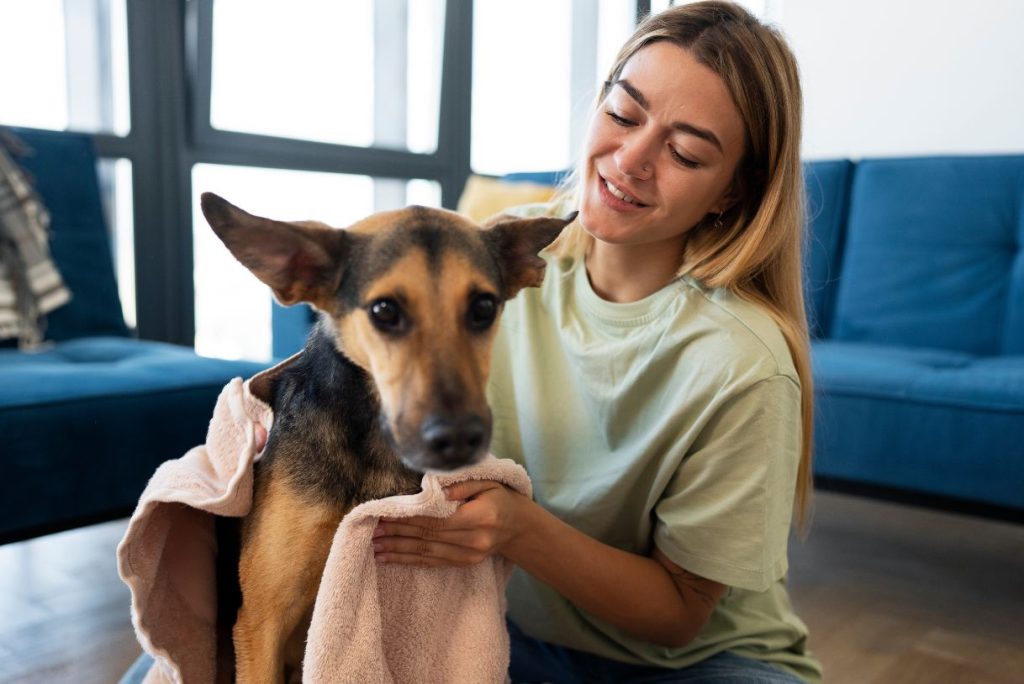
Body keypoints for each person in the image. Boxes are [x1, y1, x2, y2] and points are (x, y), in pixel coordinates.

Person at [371, 2, 823, 682]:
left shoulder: (744, 364)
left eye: (685, 152)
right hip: (510, 630)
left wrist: (520, 529)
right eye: (622, 113)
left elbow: (679, 615)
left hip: (698, 663)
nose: (632, 159)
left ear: (732, 193)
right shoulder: (496, 259)